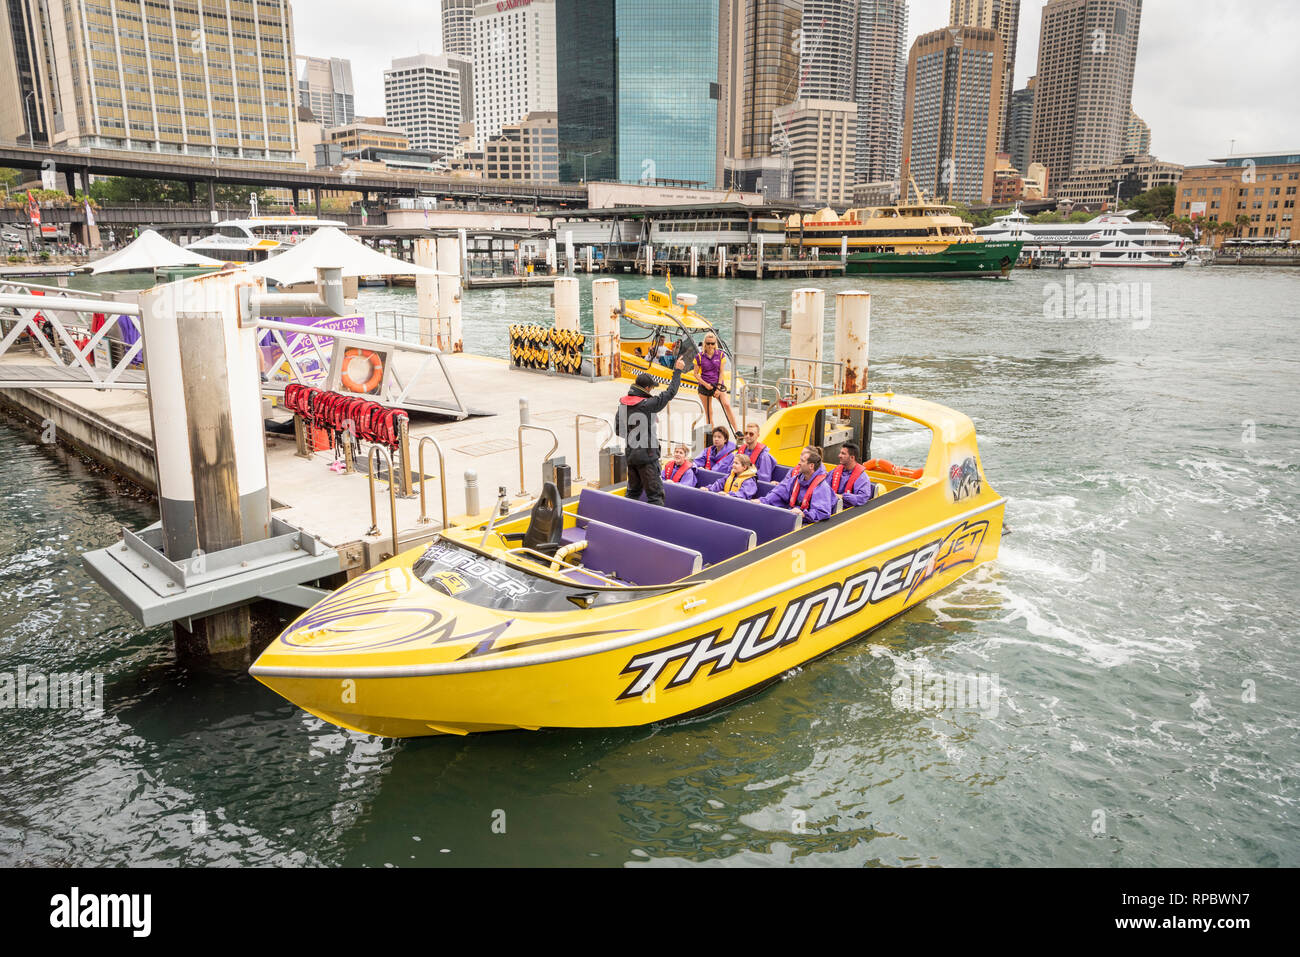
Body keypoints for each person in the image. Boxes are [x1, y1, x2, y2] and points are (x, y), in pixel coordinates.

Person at [617, 358, 686, 506]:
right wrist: (678, 371)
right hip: (648, 458)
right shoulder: (647, 405)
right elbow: (670, 393)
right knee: (656, 497)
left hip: (631, 456)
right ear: (647, 388)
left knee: (632, 494)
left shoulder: (623, 404)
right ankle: (656, 527)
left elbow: (619, 430)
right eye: (652, 388)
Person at [762, 448, 835, 522]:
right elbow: (780, 493)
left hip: (807, 525)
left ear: (811, 466)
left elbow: (821, 512)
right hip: (792, 518)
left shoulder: (822, 487)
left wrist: (804, 514)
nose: (798, 463)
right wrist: (762, 501)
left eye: (802, 461)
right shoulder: (796, 480)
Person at [694, 333, 739, 433]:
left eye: (712, 343)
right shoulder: (699, 356)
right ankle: (710, 436)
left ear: (715, 344)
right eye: (708, 343)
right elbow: (696, 374)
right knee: (709, 413)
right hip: (705, 386)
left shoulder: (721, 355)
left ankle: (737, 431)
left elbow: (721, 372)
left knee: (727, 405)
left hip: (718, 385)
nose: (710, 346)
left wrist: (718, 388)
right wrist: (705, 385)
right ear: (705, 343)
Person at [828, 442, 873, 508]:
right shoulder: (835, 471)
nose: (839, 456)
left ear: (852, 457)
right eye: (840, 453)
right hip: (831, 505)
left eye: (843, 454)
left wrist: (843, 497)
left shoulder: (862, 477)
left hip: (846, 510)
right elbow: (824, 486)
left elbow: (862, 498)